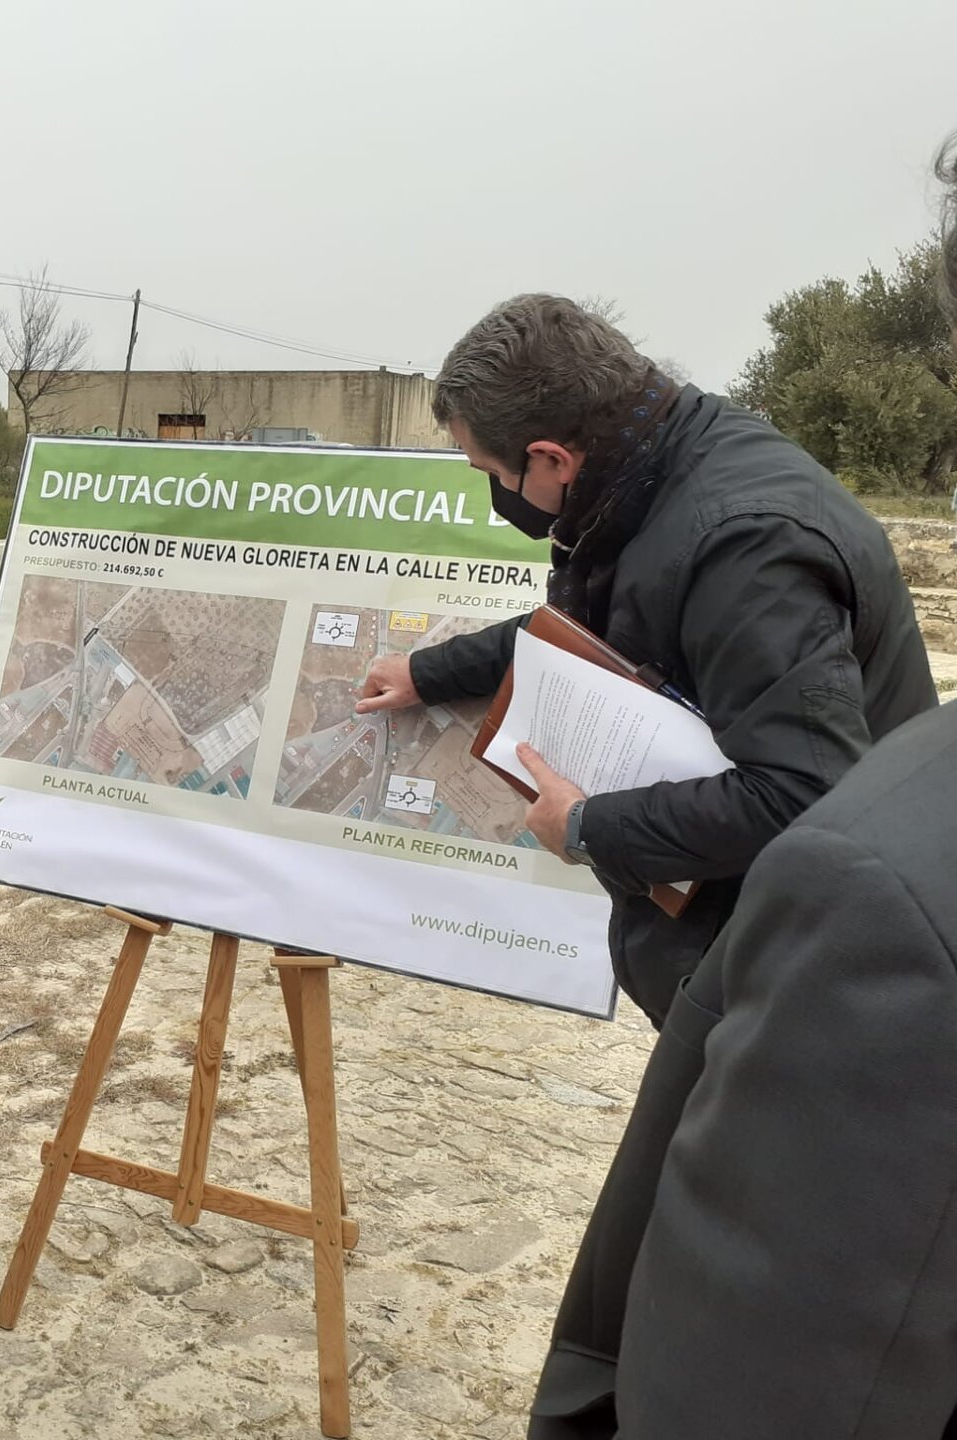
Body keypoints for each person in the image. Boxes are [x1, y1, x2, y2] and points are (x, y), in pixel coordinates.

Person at [531, 139, 957, 1436]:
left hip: (736, 957)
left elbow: (800, 794)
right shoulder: (699, 494)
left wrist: (589, 825)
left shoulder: (881, 916)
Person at [359, 294, 936, 1024]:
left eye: (491, 474)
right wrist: (428, 672)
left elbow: (804, 795)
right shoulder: (654, 470)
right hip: (751, 945)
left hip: (809, 978)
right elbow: (592, 629)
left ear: (551, 459)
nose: (495, 495)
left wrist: (589, 826)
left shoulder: (743, 547)